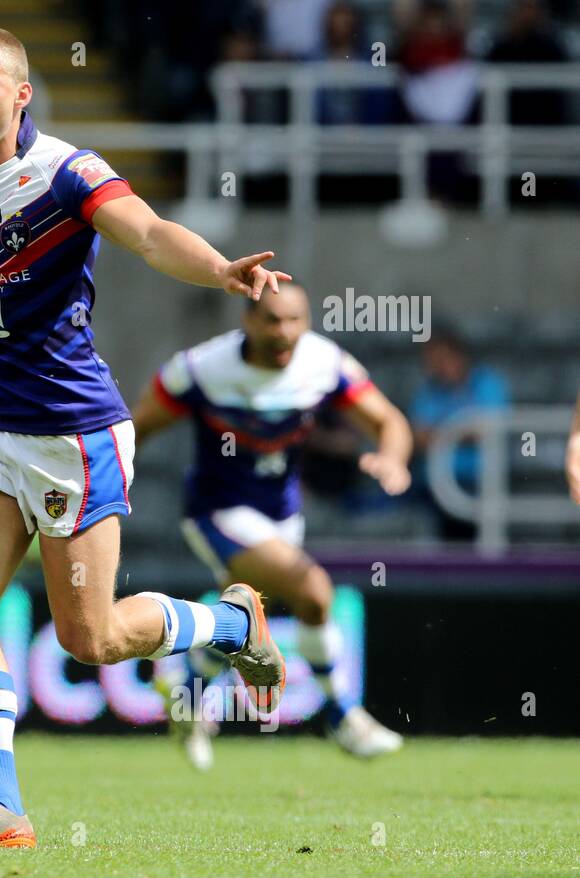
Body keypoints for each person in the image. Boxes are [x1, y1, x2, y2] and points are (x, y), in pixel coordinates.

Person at [0, 26, 291, 848]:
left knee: (91, 638)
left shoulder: (66, 172)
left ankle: (233, 625)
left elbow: (151, 233)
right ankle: (0, 804)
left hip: (74, 435)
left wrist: (221, 268)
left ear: (21, 95)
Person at [133, 286, 410, 770]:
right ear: (248, 319)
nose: (285, 333)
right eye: (273, 320)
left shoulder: (325, 362)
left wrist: (391, 458)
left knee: (239, 619)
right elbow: (135, 429)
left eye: (295, 320)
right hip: (217, 512)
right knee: (314, 592)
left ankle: (188, 698)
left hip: (283, 516)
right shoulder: (201, 368)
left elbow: (389, 421)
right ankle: (343, 717)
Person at [408, 331, 510, 541]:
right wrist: (458, 433)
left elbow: (489, 429)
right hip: (434, 485)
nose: (437, 367)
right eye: (432, 362)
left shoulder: (487, 383)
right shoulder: (428, 391)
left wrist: (442, 435)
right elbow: (417, 437)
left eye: (442, 359)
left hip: (482, 481)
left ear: (459, 356)